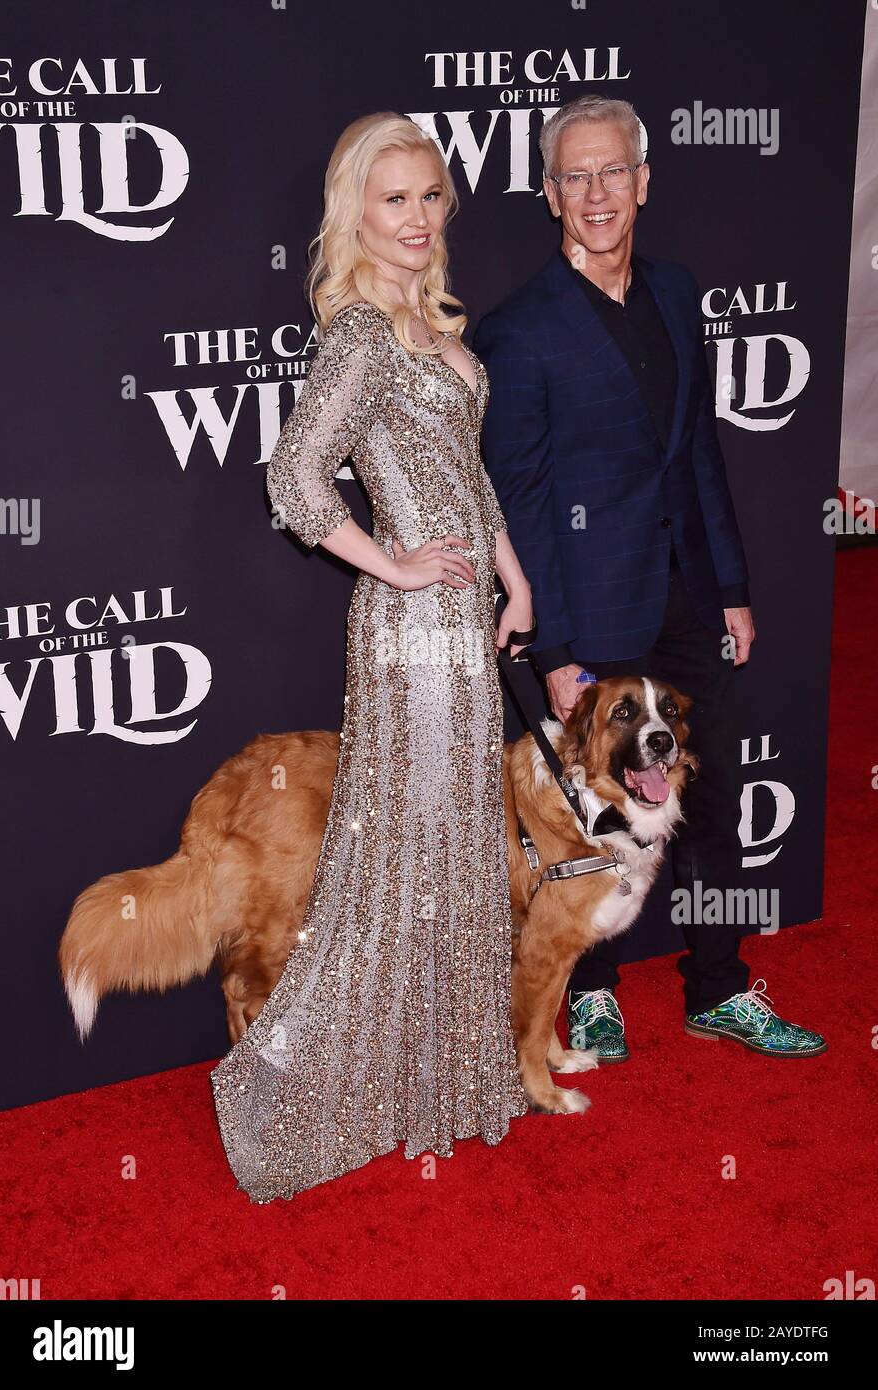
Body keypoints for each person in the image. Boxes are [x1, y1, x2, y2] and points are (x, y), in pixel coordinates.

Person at [210, 112, 534, 1203]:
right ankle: (364, 1080)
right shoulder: (357, 332)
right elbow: (296, 480)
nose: (415, 217)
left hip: (465, 627)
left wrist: (514, 573)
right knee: (411, 856)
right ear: (356, 211)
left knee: (447, 853)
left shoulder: (434, 327)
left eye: (429, 195)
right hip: (411, 639)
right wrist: (391, 566)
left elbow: (470, 476)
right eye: (392, 199)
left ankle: (432, 1075)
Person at [473, 95, 825, 1062]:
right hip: (591, 621)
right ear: (550, 196)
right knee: (593, 815)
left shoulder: (676, 293)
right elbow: (521, 501)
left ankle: (716, 984)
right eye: (574, 176)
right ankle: (591, 993)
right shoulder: (521, 331)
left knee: (705, 799)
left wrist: (731, 589)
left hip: (684, 604)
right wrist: (554, 655)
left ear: (643, 180)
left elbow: (697, 457)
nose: (597, 193)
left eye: (612, 170)